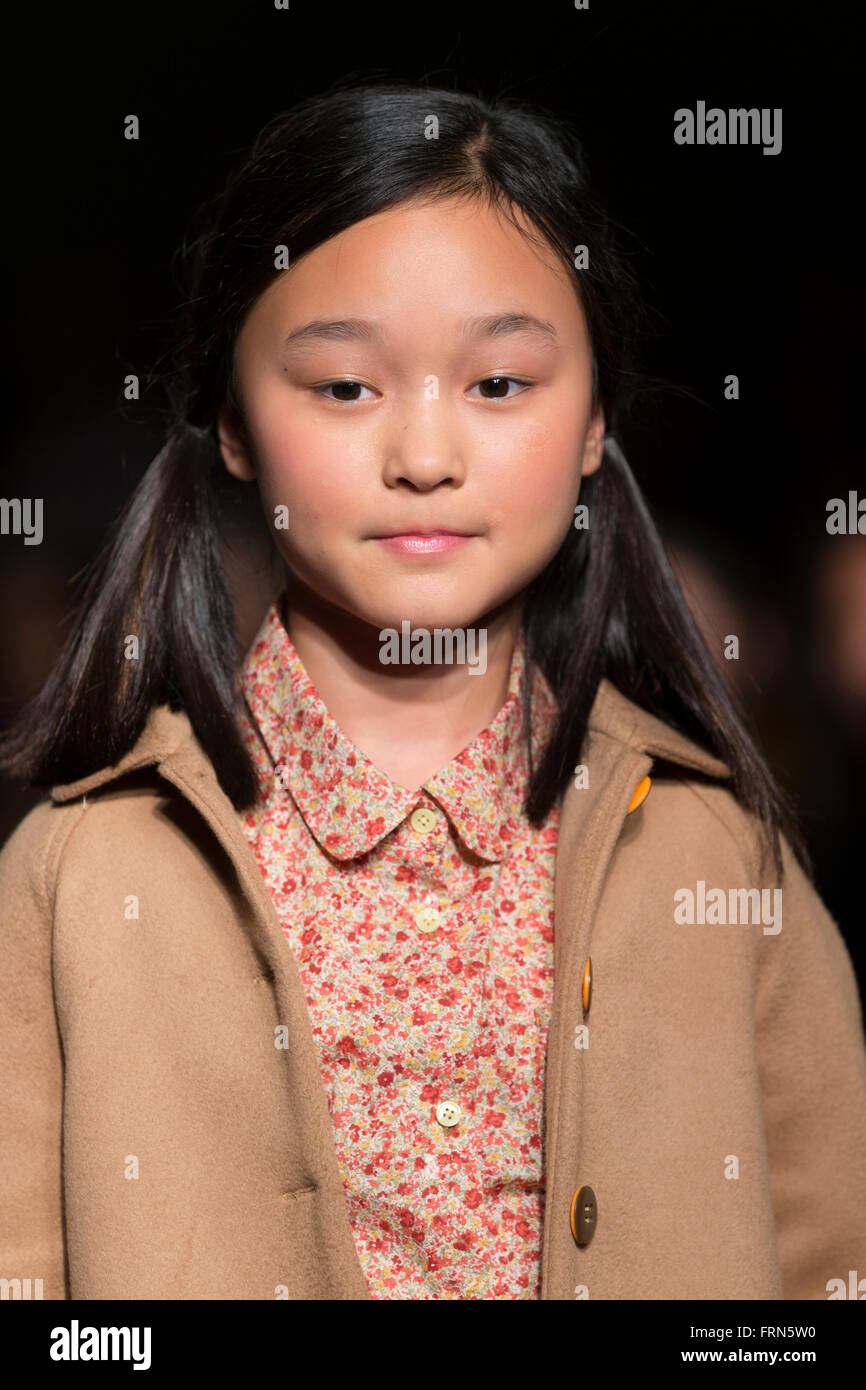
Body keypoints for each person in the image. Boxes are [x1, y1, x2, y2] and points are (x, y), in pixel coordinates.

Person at [1, 79, 864, 1302]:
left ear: (591, 421)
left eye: (498, 385)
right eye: (344, 387)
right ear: (233, 423)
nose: (423, 456)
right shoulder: (76, 878)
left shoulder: (714, 856)